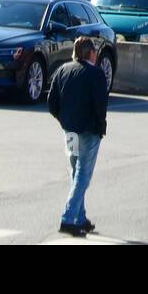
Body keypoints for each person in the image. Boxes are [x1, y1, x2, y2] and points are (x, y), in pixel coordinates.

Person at [46, 36, 109, 237]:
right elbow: (100, 105)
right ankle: (68, 217)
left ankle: (80, 218)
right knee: (83, 174)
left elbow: (51, 102)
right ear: (91, 53)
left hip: (70, 131)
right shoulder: (96, 74)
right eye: (95, 52)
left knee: (75, 172)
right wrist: (101, 126)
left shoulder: (63, 71)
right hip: (89, 132)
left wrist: (63, 120)